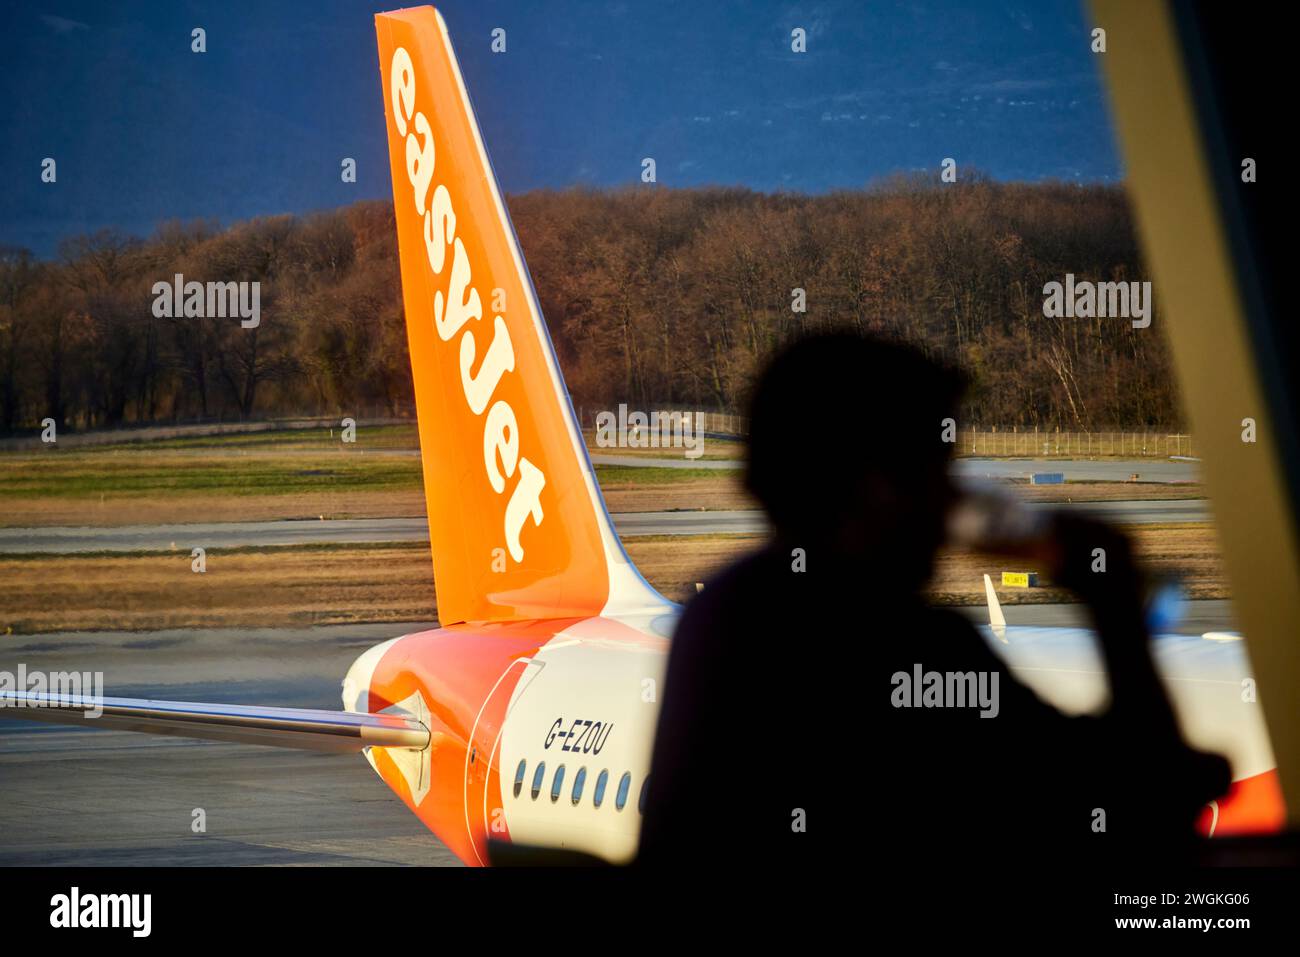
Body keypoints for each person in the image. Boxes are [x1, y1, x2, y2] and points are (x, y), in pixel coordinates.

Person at [636, 330, 1229, 871]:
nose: (950, 504)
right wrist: (1111, 598)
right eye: (936, 474)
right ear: (879, 492)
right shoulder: (910, 645)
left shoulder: (722, 616)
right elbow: (1148, 808)